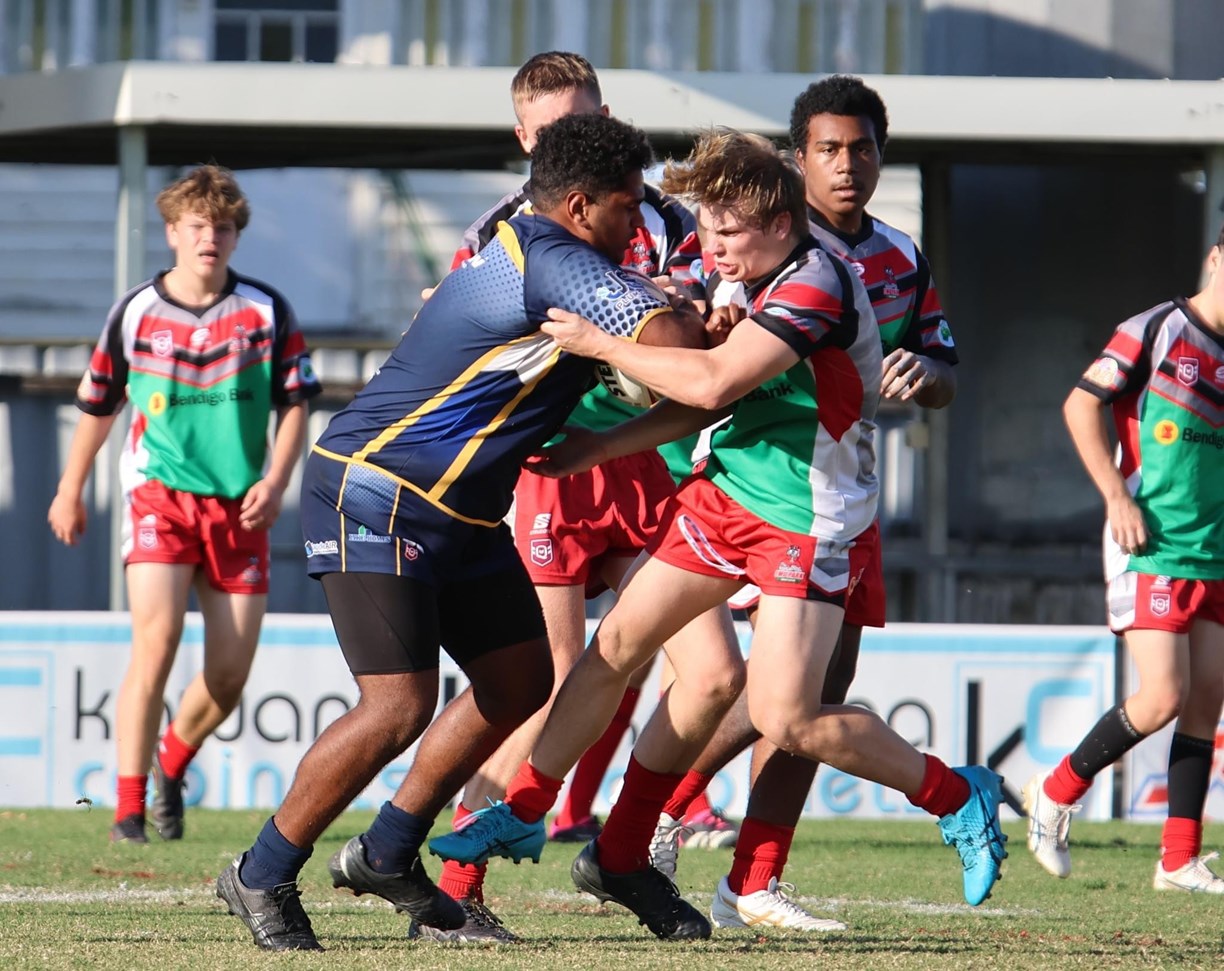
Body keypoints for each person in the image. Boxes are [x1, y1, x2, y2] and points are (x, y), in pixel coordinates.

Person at [429, 129, 1006, 941]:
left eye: (727, 231)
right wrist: (597, 444)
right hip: (724, 495)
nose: (712, 246)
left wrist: (598, 343)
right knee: (615, 647)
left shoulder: (815, 285)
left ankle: (956, 793)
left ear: (779, 221)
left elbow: (713, 380)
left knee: (788, 716)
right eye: (706, 228)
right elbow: (704, 387)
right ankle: (530, 811)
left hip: (806, 519)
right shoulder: (749, 272)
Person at [214, 112, 710, 952]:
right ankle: (259, 871)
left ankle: (388, 851)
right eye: (629, 207)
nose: (640, 225)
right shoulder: (559, 260)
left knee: (518, 686)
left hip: (462, 513)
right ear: (582, 204)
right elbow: (679, 346)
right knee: (397, 703)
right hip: (375, 491)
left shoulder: (539, 247)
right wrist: (680, 313)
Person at [422, 51, 733, 944]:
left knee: (713, 675)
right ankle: (457, 883)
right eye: (555, 127)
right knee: (550, 685)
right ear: (526, 139)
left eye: (587, 118)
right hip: (554, 466)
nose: (575, 137)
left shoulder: (662, 216)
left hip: (653, 462)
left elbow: (708, 308)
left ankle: (620, 852)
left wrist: (688, 313)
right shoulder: (500, 233)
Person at [648, 74, 962, 931]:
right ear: (799, 159)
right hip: (745, 490)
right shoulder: (751, 232)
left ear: (881, 156)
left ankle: (750, 875)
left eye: (861, 148)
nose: (847, 164)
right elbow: (676, 319)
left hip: (837, 496)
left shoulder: (900, 257)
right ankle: (656, 819)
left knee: (816, 690)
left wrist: (924, 374)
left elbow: (942, 367)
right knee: (764, 690)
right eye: (828, 148)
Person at [47, 165, 320, 845]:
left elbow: (295, 404)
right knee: (158, 640)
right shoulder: (137, 311)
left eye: (222, 226)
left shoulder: (265, 310)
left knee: (228, 675)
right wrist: (69, 488)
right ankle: (128, 810)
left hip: (240, 506)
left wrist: (277, 479)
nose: (211, 237)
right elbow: (98, 405)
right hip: (158, 495)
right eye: (198, 225)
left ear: (235, 236)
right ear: (172, 232)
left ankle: (171, 763)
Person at [1023, 223, 1224, 894]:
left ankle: (1178, 858)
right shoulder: (1157, 328)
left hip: (1213, 549)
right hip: (1150, 542)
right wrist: (1116, 495)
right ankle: (1053, 794)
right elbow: (1081, 404)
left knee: (1205, 700)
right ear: (1217, 257)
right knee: (1163, 693)